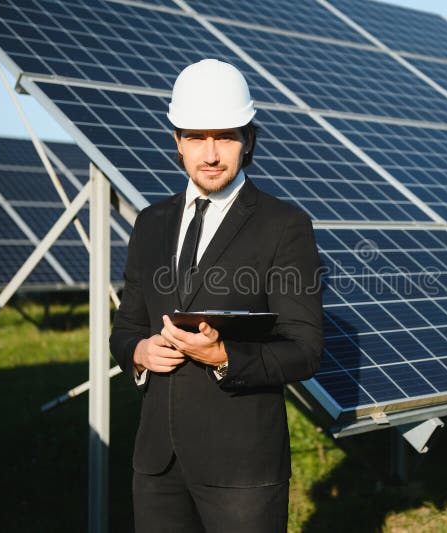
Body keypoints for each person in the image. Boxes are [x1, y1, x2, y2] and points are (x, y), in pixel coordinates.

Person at [109, 58, 323, 533]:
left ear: (248, 141)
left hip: (241, 468)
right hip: (157, 464)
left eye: (225, 136)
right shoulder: (151, 223)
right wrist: (139, 353)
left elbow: (305, 351)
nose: (210, 154)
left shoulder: (284, 226)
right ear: (177, 142)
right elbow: (125, 330)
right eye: (195, 137)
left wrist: (225, 355)